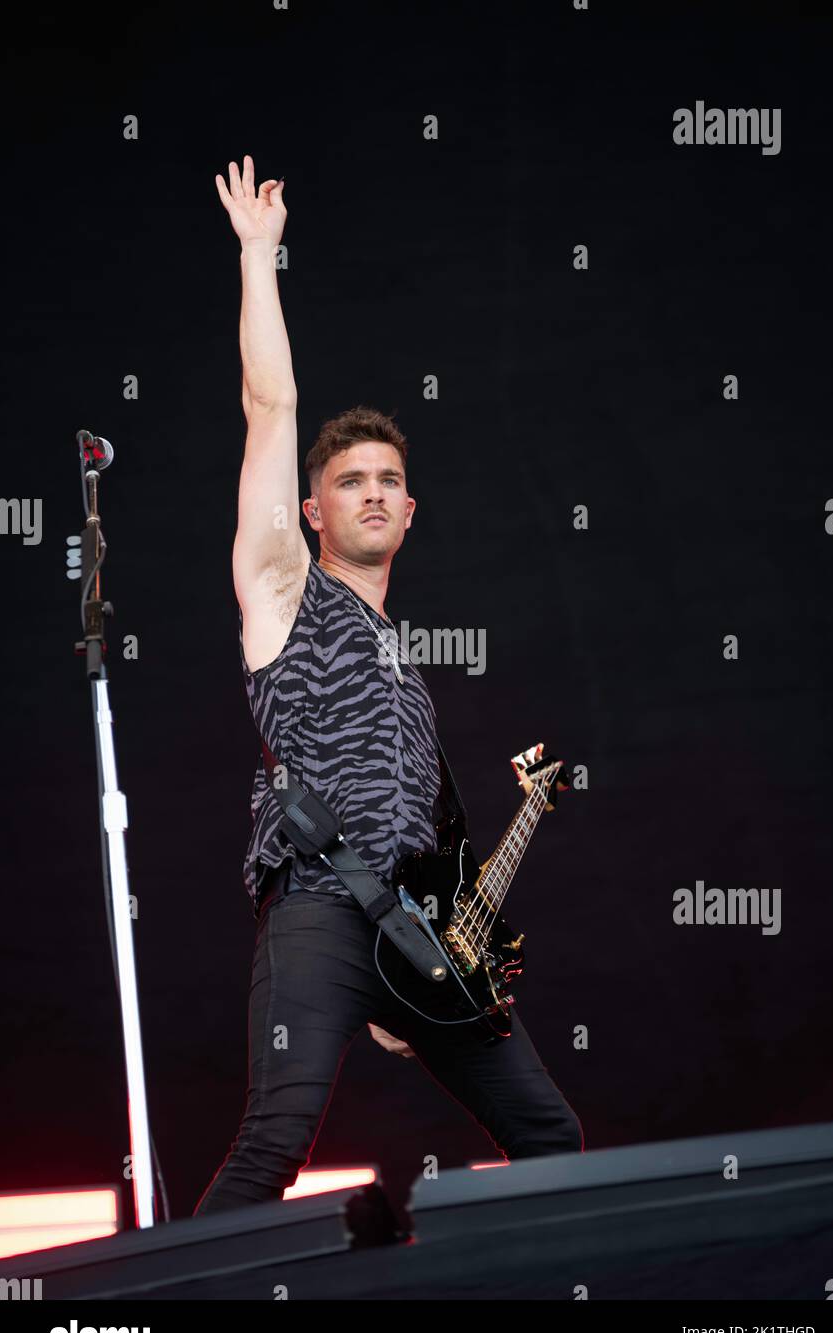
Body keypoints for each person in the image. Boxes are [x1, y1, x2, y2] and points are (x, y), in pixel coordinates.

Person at [193, 155, 584, 1215]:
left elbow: (418, 829)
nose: (371, 491)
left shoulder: (405, 670)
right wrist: (259, 257)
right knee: (274, 1139)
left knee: (551, 1133)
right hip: (318, 911)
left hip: (405, 932)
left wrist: (435, 954)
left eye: (388, 481)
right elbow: (269, 407)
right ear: (312, 512)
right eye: (348, 480)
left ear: (409, 513)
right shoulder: (286, 594)